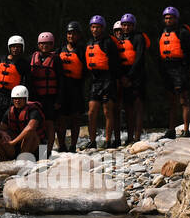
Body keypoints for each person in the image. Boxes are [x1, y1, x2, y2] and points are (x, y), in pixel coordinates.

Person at [157, 6, 190, 138]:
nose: (168, 20)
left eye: (171, 18)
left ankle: (186, 130)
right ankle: (171, 130)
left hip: (179, 68)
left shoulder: (182, 32)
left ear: (176, 19)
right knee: (171, 102)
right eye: (166, 18)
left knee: (183, 100)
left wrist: (185, 68)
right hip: (167, 68)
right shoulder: (162, 32)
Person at [85, 15, 121, 148]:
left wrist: (116, 80)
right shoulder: (89, 43)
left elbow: (115, 63)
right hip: (95, 81)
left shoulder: (108, 42)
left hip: (108, 80)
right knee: (91, 112)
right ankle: (92, 141)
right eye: (93, 27)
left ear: (103, 28)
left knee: (107, 111)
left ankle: (107, 140)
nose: (95, 30)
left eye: (98, 27)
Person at [0, 36, 27, 160]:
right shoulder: (0, 60)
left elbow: (26, 82)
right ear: (9, 47)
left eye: (18, 47)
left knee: (9, 126)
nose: (15, 49)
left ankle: (11, 152)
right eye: (13, 46)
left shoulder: (23, 63)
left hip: (13, 97)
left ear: (22, 48)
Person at [116, 13, 150, 143]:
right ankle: (130, 137)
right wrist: (122, 77)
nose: (126, 27)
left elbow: (139, 58)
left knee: (138, 106)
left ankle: (137, 137)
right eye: (124, 25)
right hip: (124, 76)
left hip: (137, 76)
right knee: (128, 107)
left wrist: (129, 76)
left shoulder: (138, 38)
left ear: (133, 26)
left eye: (129, 25)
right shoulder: (120, 40)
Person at [0, 85, 44, 161]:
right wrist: (3, 133)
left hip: (38, 148)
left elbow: (30, 128)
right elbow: (1, 129)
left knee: (30, 133)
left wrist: (13, 142)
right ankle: (4, 161)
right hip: (17, 145)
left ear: (25, 99)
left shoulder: (34, 111)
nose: (17, 101)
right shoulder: (10, 111)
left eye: (20, 99)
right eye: (15, 98)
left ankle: (22, 160)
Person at [29, 32, 60, 157]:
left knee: (49, 124)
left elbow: (60, 81)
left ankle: (49, 151)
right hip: (36, 97)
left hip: (50, 97)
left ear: (52, 45)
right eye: (42, 44)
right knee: (38, 125)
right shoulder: (33, 57)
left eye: (48, 44)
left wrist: (59, 100)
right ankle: (40, 152)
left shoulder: (56, 59)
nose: (45, 46)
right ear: (38, 45)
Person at [56, 21, 86, 151]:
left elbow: (86, 70)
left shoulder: (82, 51)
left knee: (75, 118)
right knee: (61, 119)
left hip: (76, 87)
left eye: (74, 33)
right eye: (69, 33)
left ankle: (73, 145)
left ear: (78, 35)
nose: (71, 36)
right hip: (62, 89)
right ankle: (62, 146)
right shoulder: (59, 50)